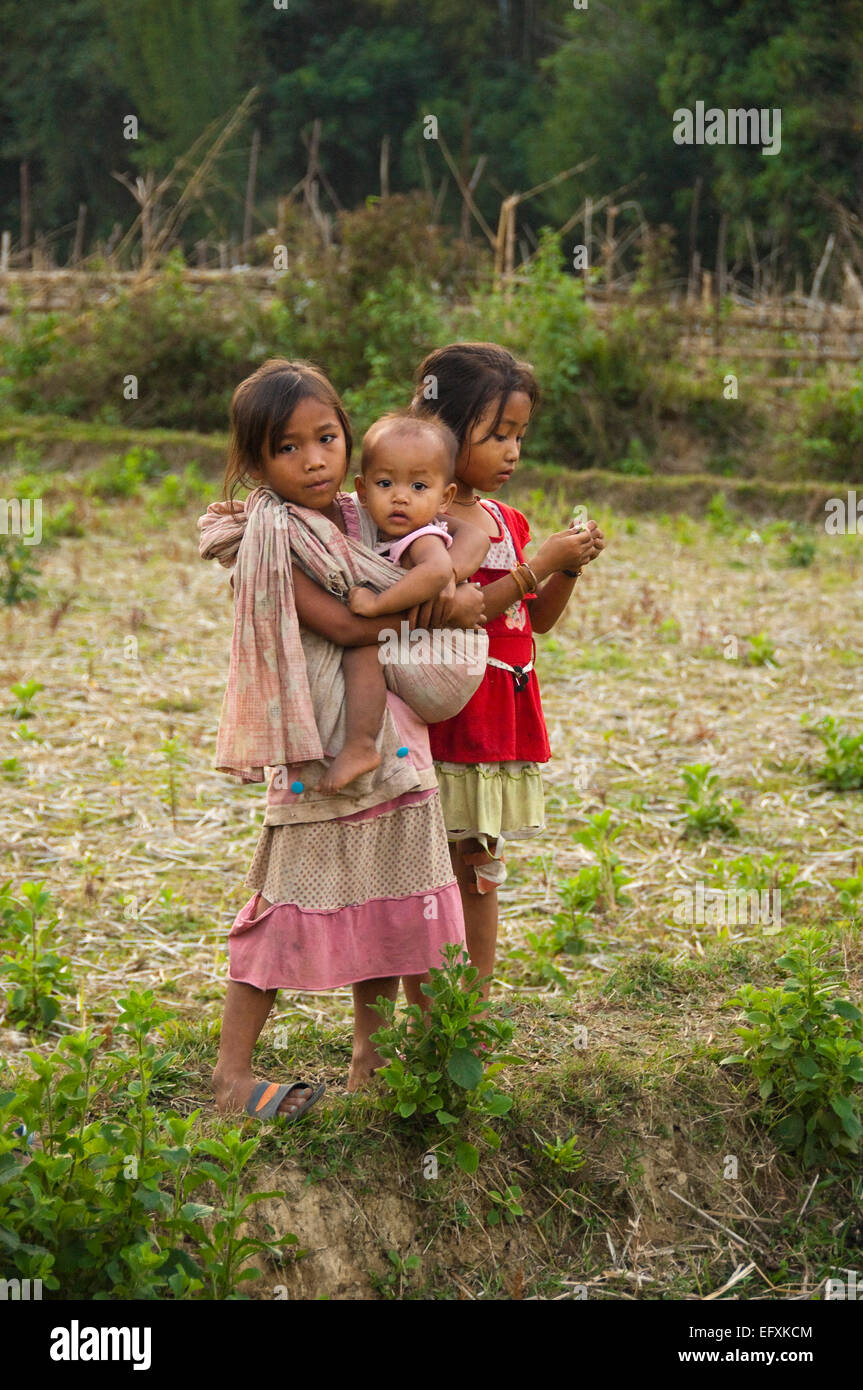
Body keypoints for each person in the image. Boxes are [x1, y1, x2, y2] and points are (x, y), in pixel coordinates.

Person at [197, 358, 486, 1119]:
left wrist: (454, 575)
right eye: (287, 448)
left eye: (326, 437)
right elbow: (340, 624)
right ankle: (231, 1078)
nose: (313, 458)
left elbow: (462, 517)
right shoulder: (271, 534)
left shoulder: (358, 519)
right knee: (282, 902)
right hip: (317, 751)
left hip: (392, 748)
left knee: (393, 904)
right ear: (256, 463)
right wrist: (428, 611)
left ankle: (372, 1058)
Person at [410, 341, 607, 998]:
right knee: (429, 871)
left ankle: (475, 1004)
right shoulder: (424, 521)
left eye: (519, 436)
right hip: (448, 719)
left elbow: (536, 620)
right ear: (444, 428)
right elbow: (456, 613)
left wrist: (566, 565)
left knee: (481, 865)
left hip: (502, 719)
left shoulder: (507, 518)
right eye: (496, 435)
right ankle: (428, 1012)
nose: (512, 451)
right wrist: (535, 562)